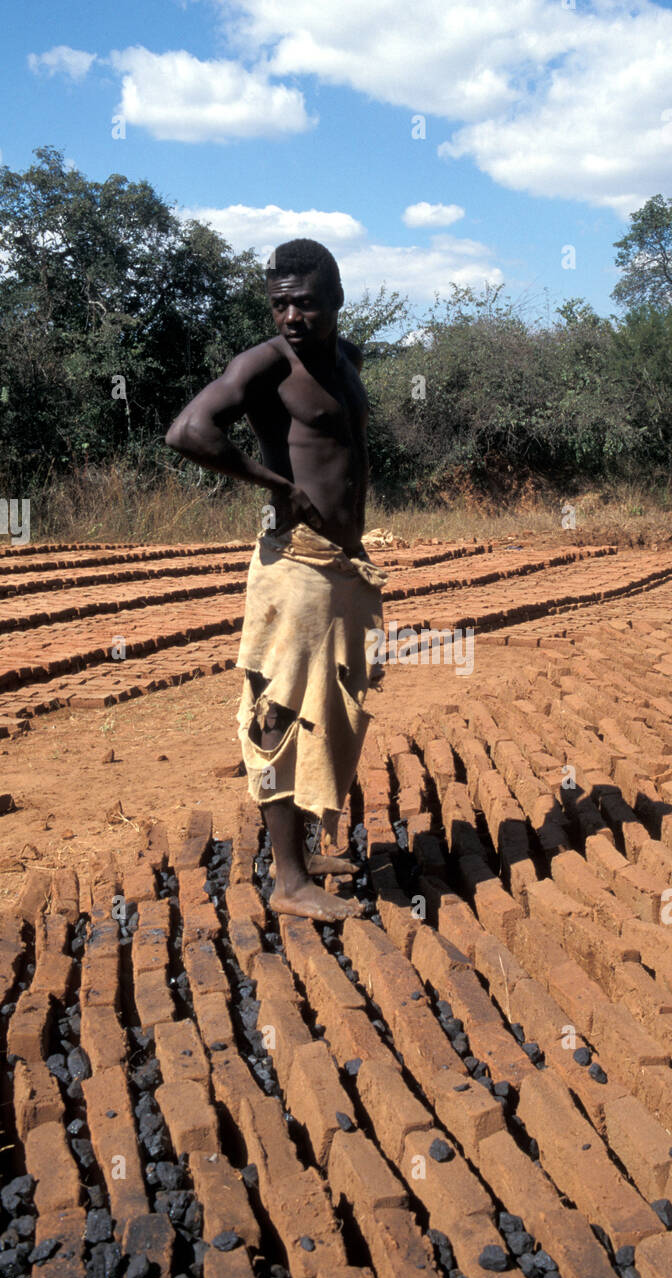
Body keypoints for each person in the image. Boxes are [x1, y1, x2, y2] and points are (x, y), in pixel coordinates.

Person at [165, 239, 386, 922]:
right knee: (280, 713)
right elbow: (188, 430)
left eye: (306, 303)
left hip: (342, 566)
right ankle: (289, 883)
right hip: (294, 565)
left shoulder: (346, 360)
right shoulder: (265, 364)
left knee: (336, 709)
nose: (291, 315)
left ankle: (306, 855)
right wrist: (273, 485)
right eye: (279, 303)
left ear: (338, 300)